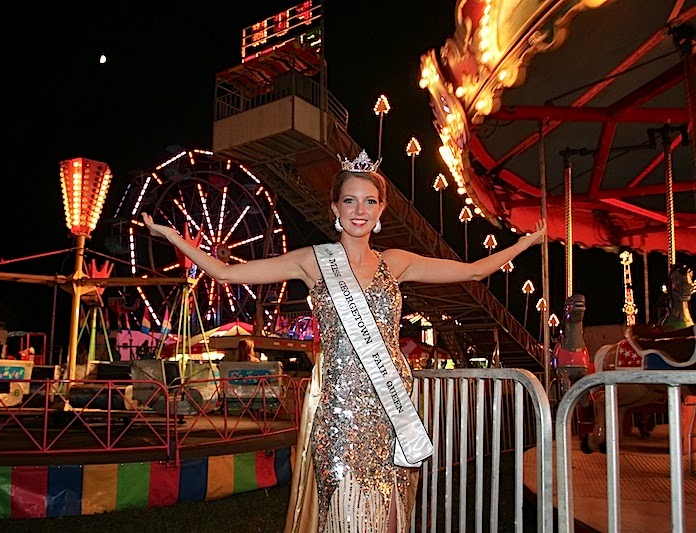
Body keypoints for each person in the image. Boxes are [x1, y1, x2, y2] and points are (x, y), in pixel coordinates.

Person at [142, 149, 545, 533]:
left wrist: (523, 243)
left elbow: (473, 272)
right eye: (350, 201)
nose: (360, 211)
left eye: (370, 202)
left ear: (381, 209)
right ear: (335, 208)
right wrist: (175, 237)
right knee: (348, 515)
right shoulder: (311, 261)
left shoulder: (397, 262)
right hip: (340, 413)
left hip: (391, 409)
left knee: (391, 517)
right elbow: (226, 274)